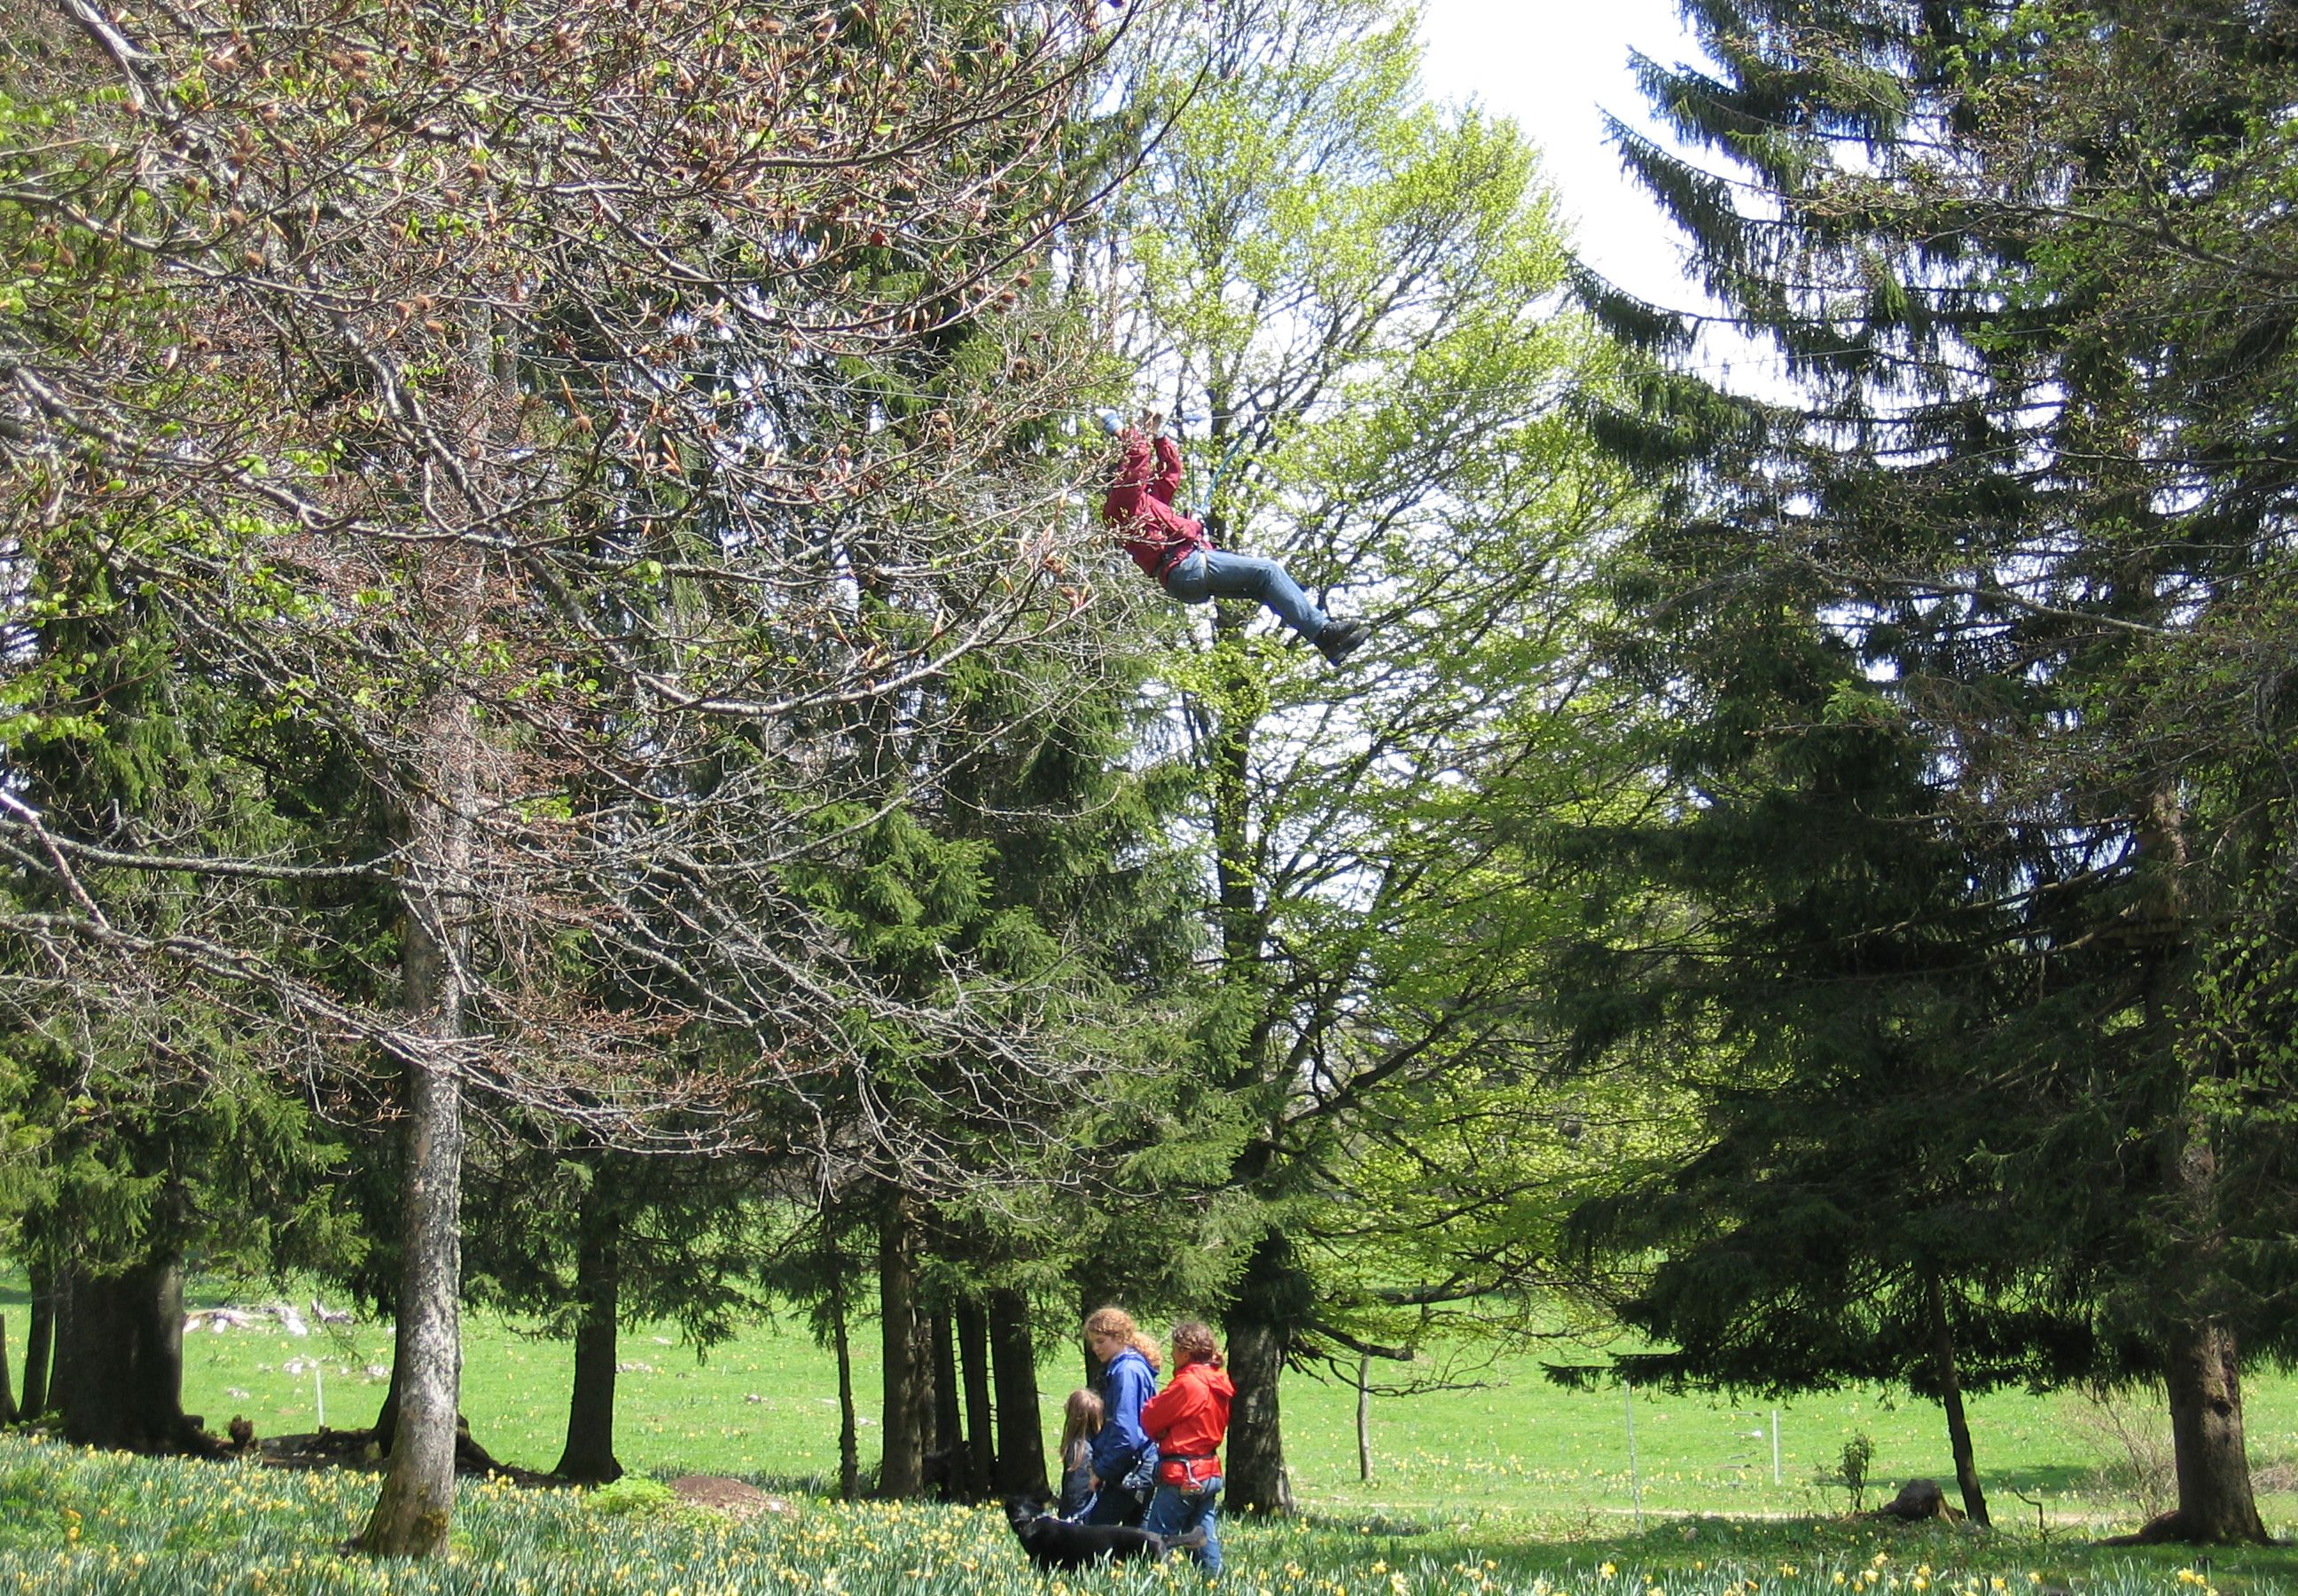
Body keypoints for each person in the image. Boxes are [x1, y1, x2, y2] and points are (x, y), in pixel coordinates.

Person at [1098, 410, 1370, 666]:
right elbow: (1138, 458)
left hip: (1184, 573)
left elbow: (1170, 474)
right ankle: (1323, 632)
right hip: (1185, 567)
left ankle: (1328, 643)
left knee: (1266, 586)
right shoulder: (1121, 503)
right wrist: (1118, 427)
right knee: (1268, 571)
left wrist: (1158, 435)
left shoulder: (1145, 500)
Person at [1137, 1319, 1234, 1576]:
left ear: (1185, 1352)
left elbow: (1149, 1417)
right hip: (1209, 1471)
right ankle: (1214, 1585)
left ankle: (1155, 1584)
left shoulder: (1189, 1384)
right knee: (1202, 1536)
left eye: (1174, 1349)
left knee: (1157, 1535)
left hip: (1184, 1474)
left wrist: (1164, 1430)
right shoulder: (1218, 1380)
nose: (1171, 1354)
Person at [1080, 1305, 1162, 1528]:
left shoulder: (1126, 1372)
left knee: (1094, 1532)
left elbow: (1127, 1433)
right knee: (1135, 1538)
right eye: (1093, 1342)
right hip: (1142, 1462)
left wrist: (1101, 1470)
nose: (1096, 1348)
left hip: (1133, 1466)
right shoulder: (1131, 1367)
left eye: (1101, 1341)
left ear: (1119, 1338)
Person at [1055, 1387, 1106, 1519]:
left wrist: (1068, 1518)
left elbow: (1075, 1493)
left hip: (1078, 1519)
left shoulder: (1079, 1450)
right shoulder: (1094, 1445)